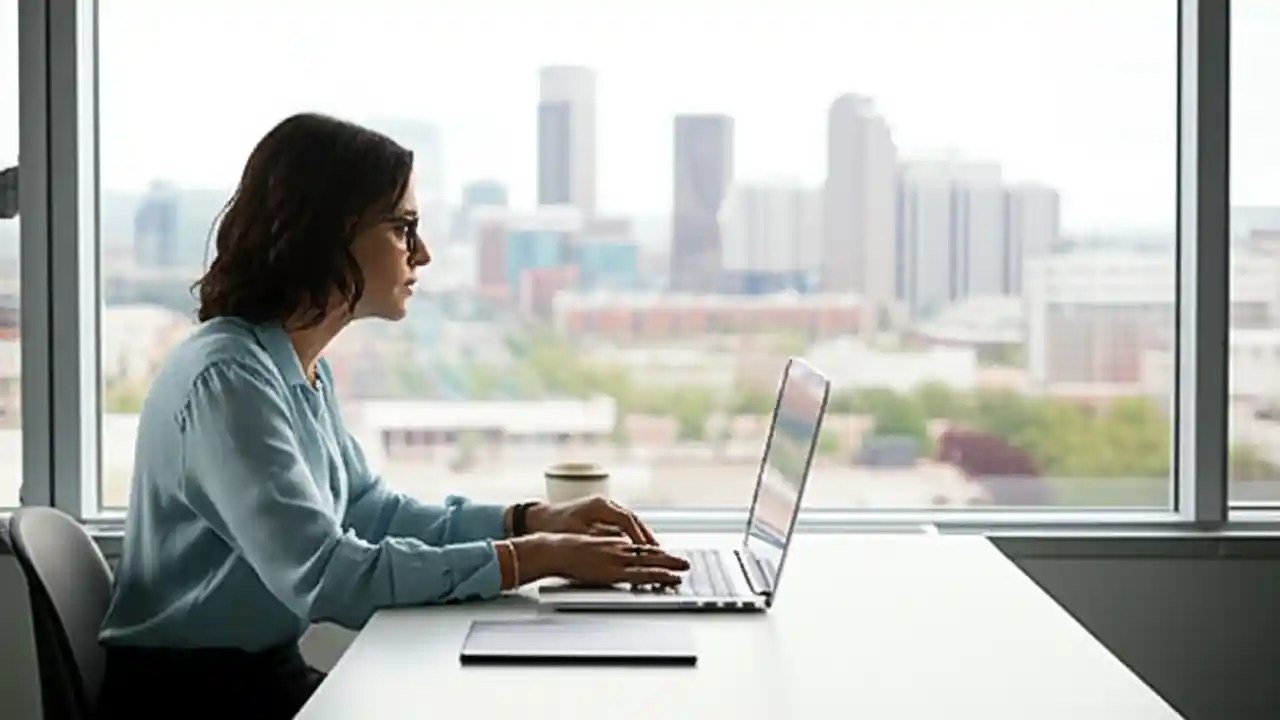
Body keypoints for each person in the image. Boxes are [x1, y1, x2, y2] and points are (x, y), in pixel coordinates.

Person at [94, 113, 689, 719]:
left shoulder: (296, 369)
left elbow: (371, 512)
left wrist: (530, 519)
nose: (422, 253)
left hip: (255, 679)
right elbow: (329, 578)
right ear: (325, 232)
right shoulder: (229, 381)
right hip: (191, 700)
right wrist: (539, 555)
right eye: (404, 228)